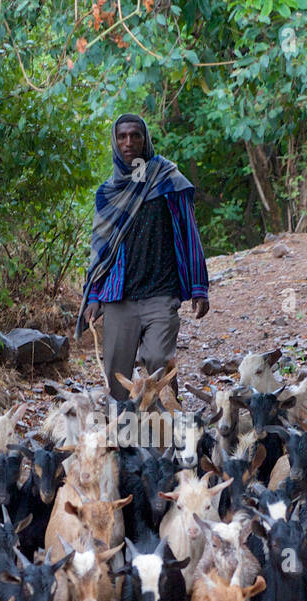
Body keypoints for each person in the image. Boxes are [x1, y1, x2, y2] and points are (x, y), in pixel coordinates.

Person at [75, 114, 209, 403]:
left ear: (145, 139)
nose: (128, 143)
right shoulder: (108, 194)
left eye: (135, 135)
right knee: (116, 374)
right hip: (120, 297)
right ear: (115, 141)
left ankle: (164, 439)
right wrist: (95, 296)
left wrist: (199, 287)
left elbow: (189, 233)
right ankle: (121, 441)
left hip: (161, 293)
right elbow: (100, 251)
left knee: (158, 362)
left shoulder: (168, 181)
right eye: (122, 136)